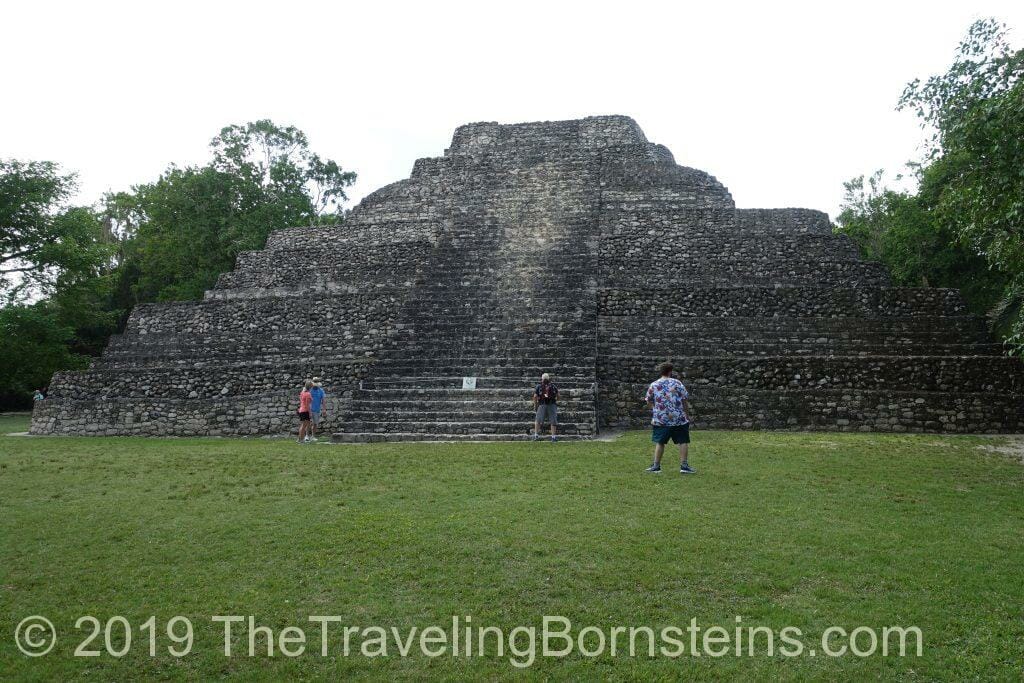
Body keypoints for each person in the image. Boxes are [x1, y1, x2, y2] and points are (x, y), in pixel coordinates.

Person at [644, 362, 695, 474]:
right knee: (683, 441)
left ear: (661, 371)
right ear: (670, 371)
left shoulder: (654, 384)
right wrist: (686, 414)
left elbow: (648, 400)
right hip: (679, 418)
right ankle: (684, 466)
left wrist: (655, 409)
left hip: (661, 419)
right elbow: (684, 400)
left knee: (660, 442)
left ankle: (656, 466)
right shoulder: (677, 383)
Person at [533, 372, 559, 442]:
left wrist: (535, 405)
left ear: (542, 379)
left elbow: (535, 396)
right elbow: (558, 395)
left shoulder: (539, 386)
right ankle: (553, 437)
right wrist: (556, 401)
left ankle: (536, 435)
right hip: (551, 404)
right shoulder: (553, 386)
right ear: (548, 379)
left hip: (542, 404)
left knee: (538, 420)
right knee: (553, 421)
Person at [308, 377, 326, 442]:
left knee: (315, 424)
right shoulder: (309, 390)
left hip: (317, 409)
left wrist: (324, 409)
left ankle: (313, 436)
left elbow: (323, 400)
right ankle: (307, 436)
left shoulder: (321, 390)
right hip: (309, 409)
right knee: (308, 423)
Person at [297, 380, 313, 444]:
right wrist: (310, 413)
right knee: (304, 426)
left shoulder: (302, 392)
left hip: (301, 410)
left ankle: (299, 439)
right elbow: (307, 405)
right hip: (305, 411)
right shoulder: (308, 394)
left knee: (303, 425)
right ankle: (301, 440)